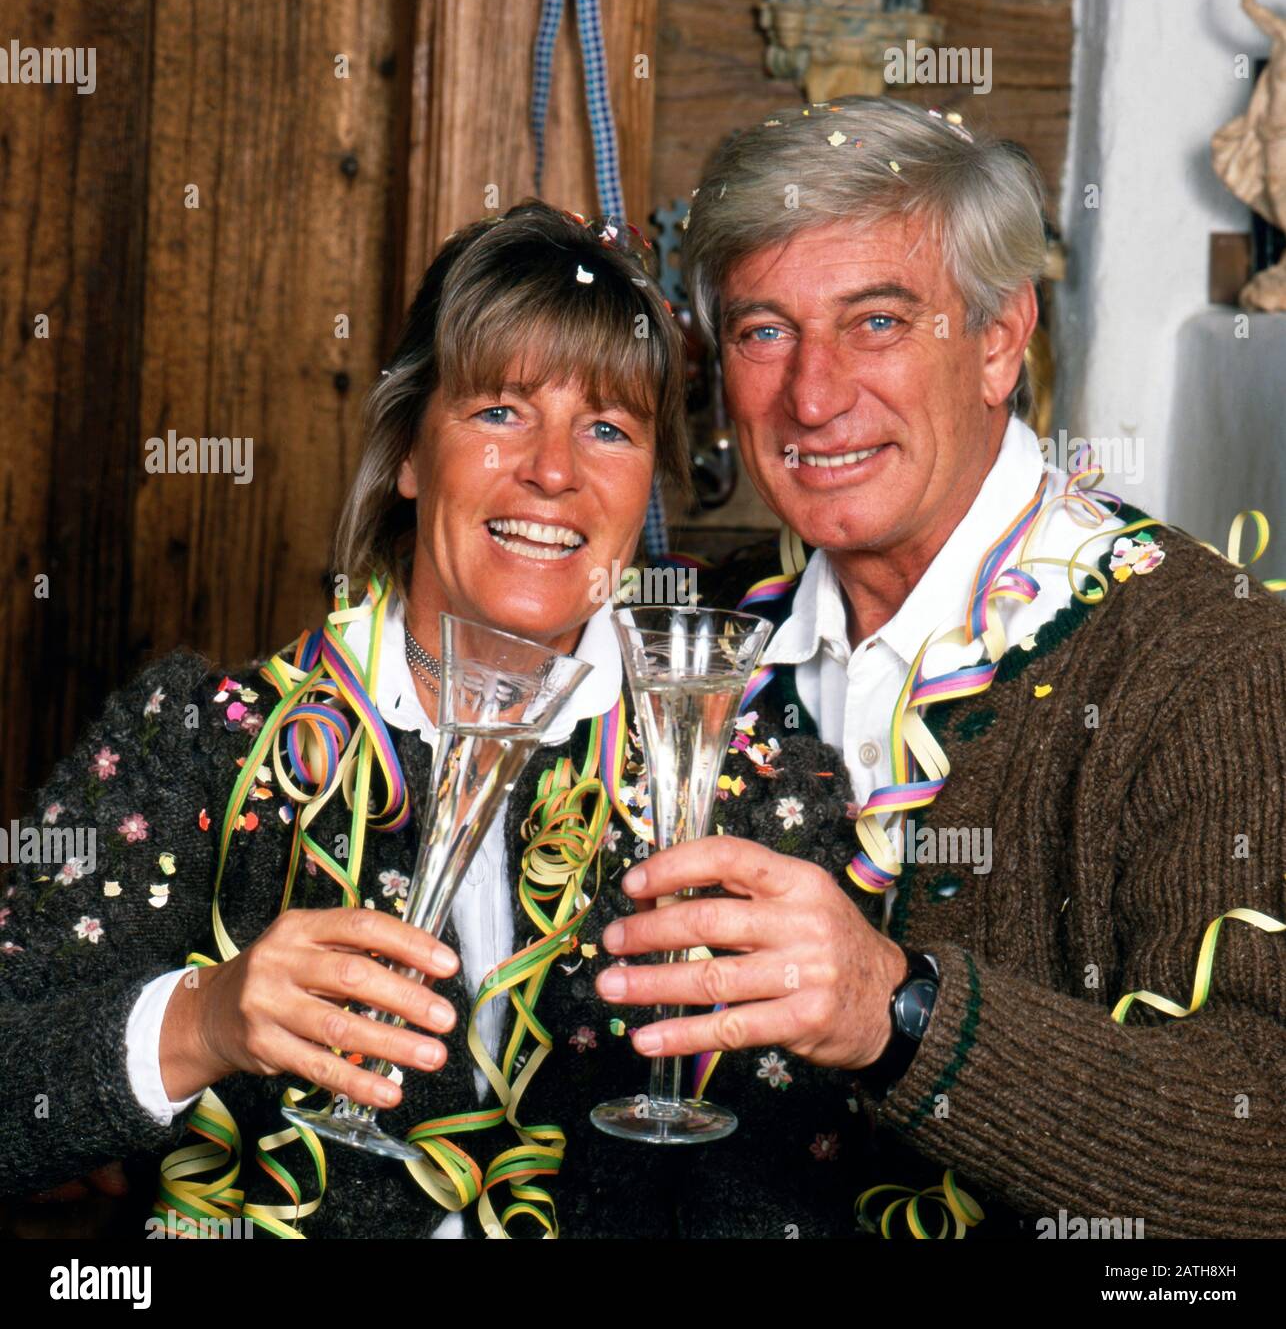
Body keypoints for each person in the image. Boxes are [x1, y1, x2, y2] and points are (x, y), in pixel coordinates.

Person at [594, 95, 1286, 1239]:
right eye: (765, 330)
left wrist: (897, 1011)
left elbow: (1261, 1144)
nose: (811, 397)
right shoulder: (709, 653)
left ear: (998, 340)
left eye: (874, 322)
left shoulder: (1209, 659)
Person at [0, 199, 704, 1238]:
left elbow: (806, 1165)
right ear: (410, 453)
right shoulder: (203, 743)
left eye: (607, 426)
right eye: (500, 410)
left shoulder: (737, 775)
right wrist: (202, 1018)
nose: (553, 471)